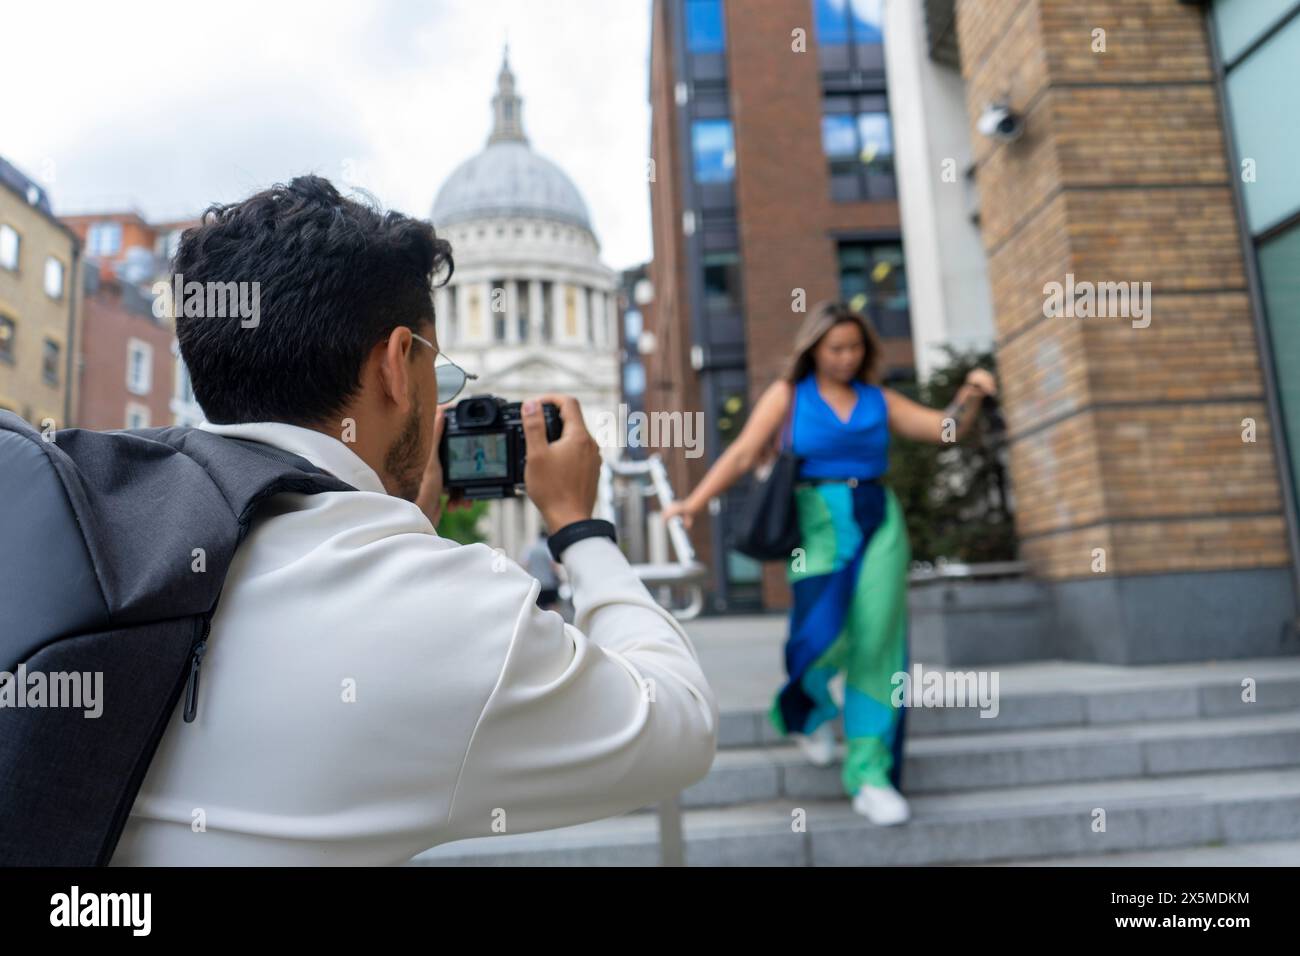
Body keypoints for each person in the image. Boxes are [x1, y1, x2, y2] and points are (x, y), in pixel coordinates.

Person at [109, 176, 717, 865]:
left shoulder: (101, 527)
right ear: (400, 363)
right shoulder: (448, 616)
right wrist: (580, 528)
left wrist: (394, 519)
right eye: (439, 367)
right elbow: (679, 722)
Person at [663, 302, 995, 826]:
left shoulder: (878, 399)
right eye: (835, 348)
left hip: (879, 521)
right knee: (820, 633)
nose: (845, 357)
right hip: (817, 524)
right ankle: (806, 708)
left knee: (878, 641)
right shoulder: (788, 396)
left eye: (855, 348)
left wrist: (970, 394)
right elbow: (744, 453)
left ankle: (869, 773)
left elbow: (944, 431)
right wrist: (693, 503)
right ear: (814, 348)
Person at [521, 529, 562, 610]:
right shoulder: (548, 548)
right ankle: (553, 622)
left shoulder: (530, 548)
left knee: (537, 608)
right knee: (552, 606)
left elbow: (525, 564)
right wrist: (558, 577)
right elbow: (553, 565)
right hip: (549, 583)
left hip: (535, 583)